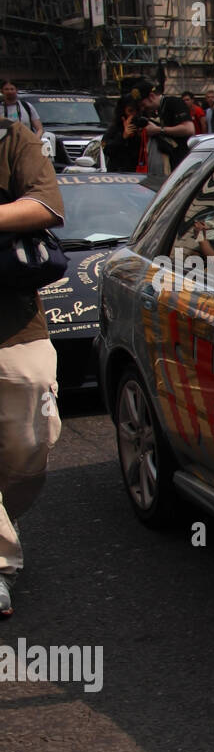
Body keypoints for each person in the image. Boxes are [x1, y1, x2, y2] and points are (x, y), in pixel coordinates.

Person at [0, 114, 65, 616]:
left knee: (30, 443)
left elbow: (44, 207)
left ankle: (5, 512)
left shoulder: (11, 138)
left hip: (14, 323)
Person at [137, 82, 194, 175]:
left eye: (143, 104)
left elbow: (189, 129)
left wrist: (157, 130)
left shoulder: (174, 103)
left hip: (178, 163)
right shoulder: (155, 110)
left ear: (151, 96)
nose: (143, 108)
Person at [102, 93, 146, 172]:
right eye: (130, 111)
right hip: (118, 173)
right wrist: (123, 137)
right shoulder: (114, 129)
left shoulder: (144, 127)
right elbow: (106, 149)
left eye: (136, 111)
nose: (133, 115)